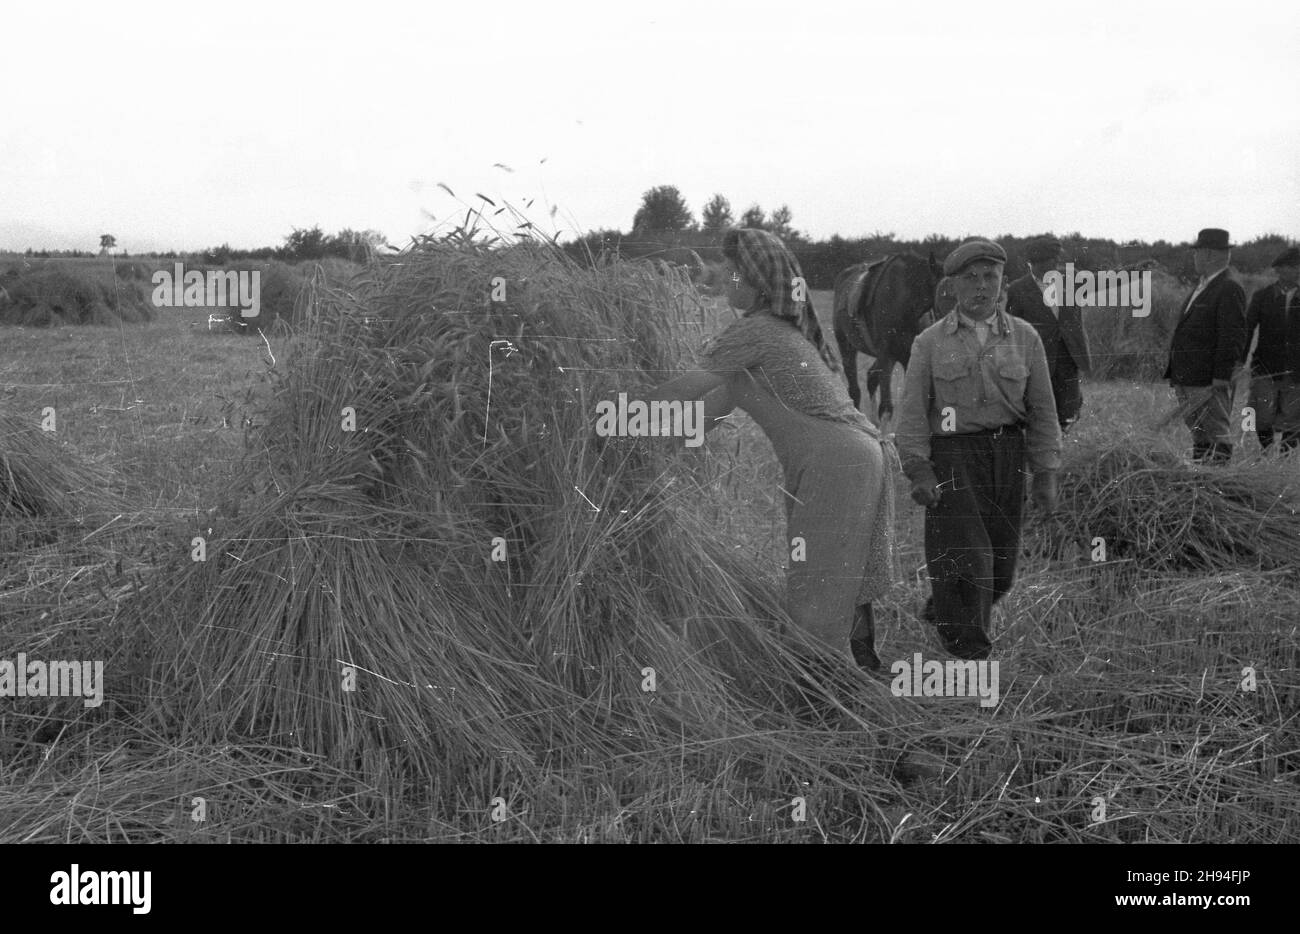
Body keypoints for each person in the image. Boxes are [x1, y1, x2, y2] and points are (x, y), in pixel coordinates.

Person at [647, 228, 895, 670]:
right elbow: (709, 412)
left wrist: (611, 414)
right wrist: (652, 444)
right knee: (837, 578)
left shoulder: (756, 332)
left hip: (836, 464)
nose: (726, 280)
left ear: (758, 282)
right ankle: (854, 682)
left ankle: (820, 701)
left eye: (734, 272)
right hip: (852, 458)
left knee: (817, 587)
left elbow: (685, 389)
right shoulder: (769, 338)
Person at [896, 239, 1061, 661]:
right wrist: (919, 469)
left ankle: (946, 607)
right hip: (953, 459)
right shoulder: (929, 343)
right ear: (952, 285)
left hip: (1008, 457)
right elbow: (913, 413)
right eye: (971, 278)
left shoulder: (1025, 338)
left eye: (991, 276)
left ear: (1003, 281)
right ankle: (970, 659)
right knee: (971, 562)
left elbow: (1043, 411)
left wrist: (1045, 473)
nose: (982, 286)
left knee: (1001, 570)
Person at [1163, 228, 1248, 464]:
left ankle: (1219, 483)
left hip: (1208, 379)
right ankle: (1203, 482)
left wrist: (1222, 375)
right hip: (1191, 376)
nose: (1194, 258)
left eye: (1197, 253)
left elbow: (1232, 336)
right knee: (1200, 434)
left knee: (1216, 433)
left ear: (1208, 254)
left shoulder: (1228, 286)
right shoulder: (1205, 284)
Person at [1005, 237, 1091, 431]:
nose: (1056, 264)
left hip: (1068, 354)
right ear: (1035, 262)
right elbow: (1011, 328)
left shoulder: (1071, 279)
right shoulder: (1017, 290)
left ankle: (1062, 441)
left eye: (1056, 260)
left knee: (1069, 409)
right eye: (1051, 260)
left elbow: (1102, 282)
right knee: (1039, 410)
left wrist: (1136, 271)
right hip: (1037, 360)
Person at [1243, 246, 1300, 451]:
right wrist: (1240, 361)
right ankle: (1265, 451)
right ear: (1279, 270)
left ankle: (1285, 459)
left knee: (1293, 418)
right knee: (1261, 417)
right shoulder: (1262, 296)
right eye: (1292, 267)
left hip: (1296, 370)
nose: (1297, 271)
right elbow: (1247, 329)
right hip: (1266, 367)